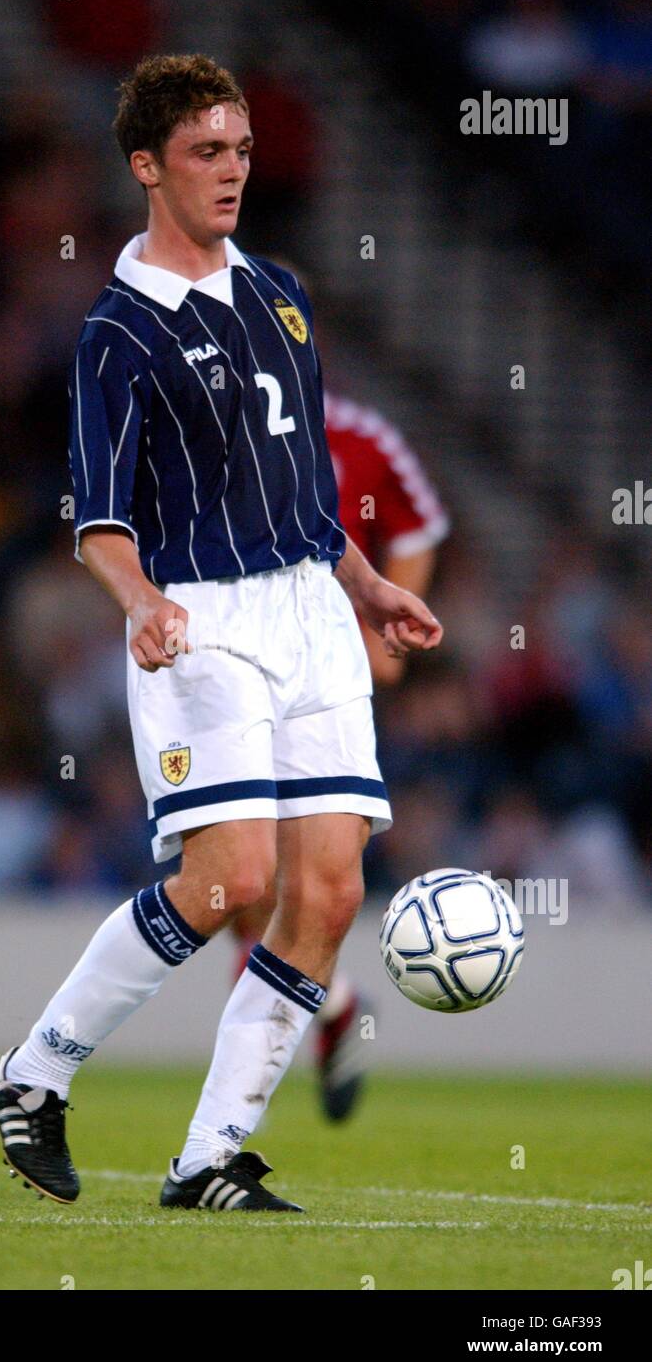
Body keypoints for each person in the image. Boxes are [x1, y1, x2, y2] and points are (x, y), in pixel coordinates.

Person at [0, 53, 442, 1213]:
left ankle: (210, 1155)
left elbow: (301, 496)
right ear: (145, 165)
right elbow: (97, 517)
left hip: (311, 609)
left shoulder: (279, 290)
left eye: (239, 150)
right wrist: (141, 605)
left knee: (327, 890)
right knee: (225, 877)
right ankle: (33, 1072)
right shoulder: (117, 334)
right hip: (201, 617)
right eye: (204, 153)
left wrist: (367, 583)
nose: (232, 171)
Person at [230, 380, 450, 1122]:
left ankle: (224, 1119)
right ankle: (337, 1007)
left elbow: (419, 524)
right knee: (239, 883)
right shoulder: (207, 419)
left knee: (295, 880)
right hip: (236, 667)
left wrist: (382, 635)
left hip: (322, 682)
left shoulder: (358, 433)